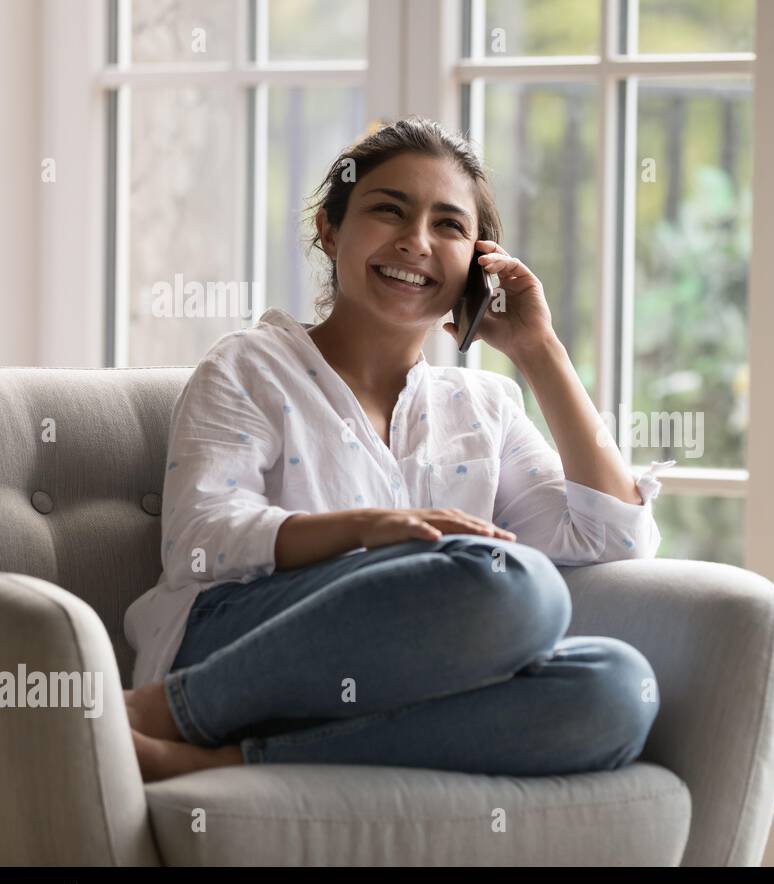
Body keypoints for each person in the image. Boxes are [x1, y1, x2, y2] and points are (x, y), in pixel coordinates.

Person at [123, 117, 676, 783]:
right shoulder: (250, 366)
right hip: (239, 643)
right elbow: (201, 537)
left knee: (617, 688)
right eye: (389, 211)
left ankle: (226, 761)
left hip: (396, 682)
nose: (416, 242)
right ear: (330, 231)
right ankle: (169, 711)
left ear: (478, 265)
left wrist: (539, 349)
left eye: (449, 225)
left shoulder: (484, 406)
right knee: (520, 588)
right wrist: (368, 528)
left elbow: (614, 538)